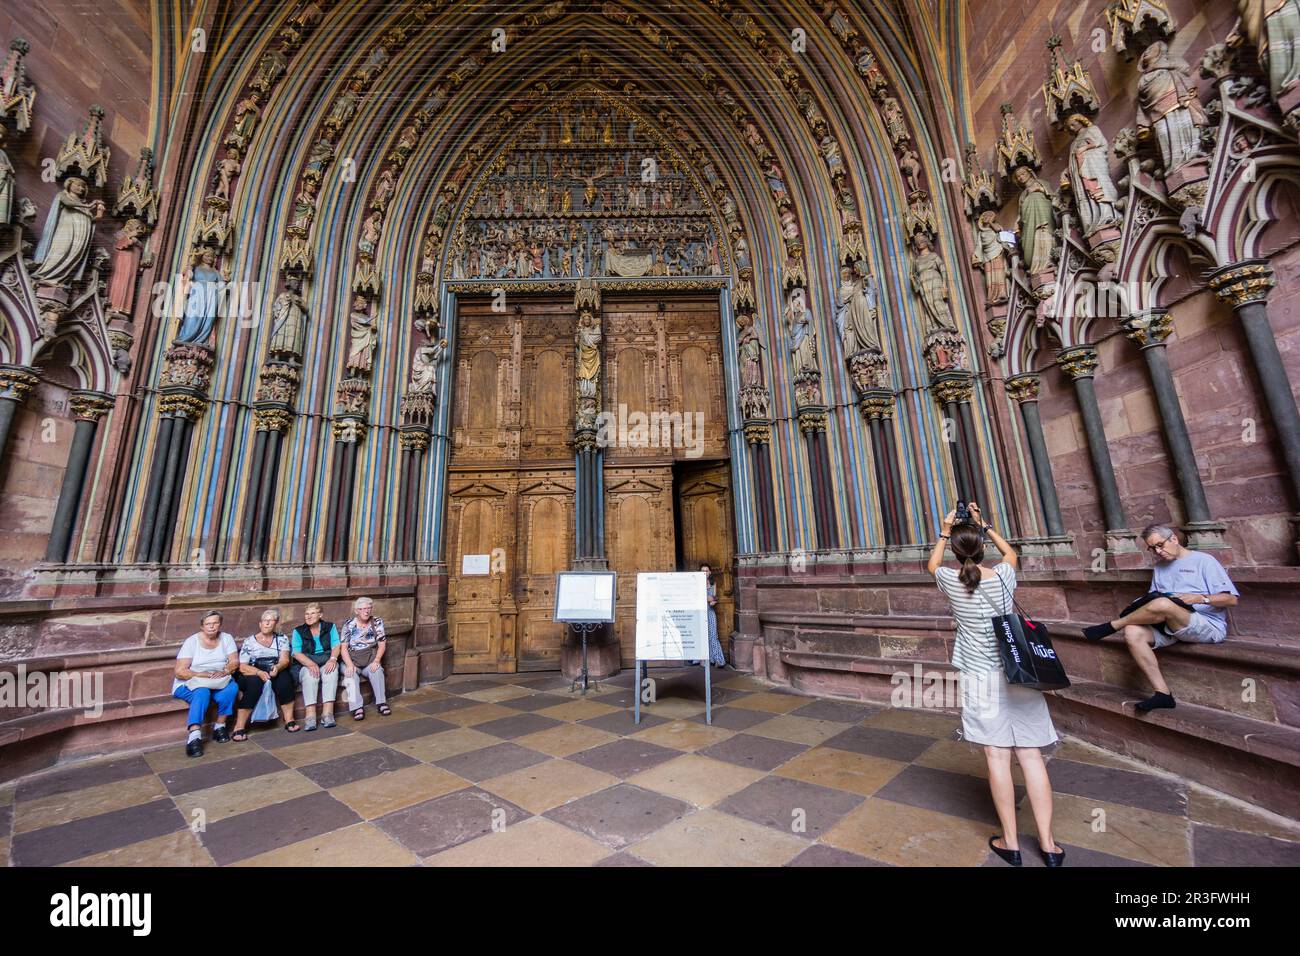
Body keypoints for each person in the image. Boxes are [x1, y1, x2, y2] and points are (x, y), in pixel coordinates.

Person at [928, 503, 1064, 867]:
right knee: (1032, 756)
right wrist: (985, 524)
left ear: (955, 553)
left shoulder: (950, 582)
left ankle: (1011, 842)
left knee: (997, 757)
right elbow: (1011, 553)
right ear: (982, 549)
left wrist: (945, 529)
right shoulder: (1004, 576)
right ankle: (1049, 847)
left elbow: (932, 565)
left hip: (980, 677)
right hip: (1018, 671)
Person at [1082, 524, 1239, 712]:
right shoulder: (1160, 567)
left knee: (1163, 604)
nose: (1158, 551)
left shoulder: (1204, 561)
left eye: (1160, 545)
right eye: (1152, 548)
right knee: (1133, 631)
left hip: (1206, 625)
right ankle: (1163, 694)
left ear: (1173, 539)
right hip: (1171, 625)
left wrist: (1200, 598)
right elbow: (1154, 603)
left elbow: (1231, 599)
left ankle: (1112, 626)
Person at [172, 610, 239, 758]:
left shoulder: (226, 638)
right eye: (208, 624)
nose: (212, 627)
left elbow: (234, 662)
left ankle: (220, 727)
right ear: (202, 626)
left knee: (232, 688)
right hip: (191, 682)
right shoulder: (192, 641)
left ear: (220, 625)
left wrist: (226, 670)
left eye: (215, 623)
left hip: (217, 680)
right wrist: (201, 674)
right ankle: (194, 737)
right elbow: (179, 671)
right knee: (202, 692)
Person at [231, 608, 298, 739]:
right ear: (260, 623)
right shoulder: (249, 641)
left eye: (270, 620)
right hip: (252, 672)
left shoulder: (281, 638)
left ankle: (289, 719)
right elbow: (242, 666)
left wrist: (278, 667)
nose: (267, 623)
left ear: (276, 623)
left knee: (285, 681)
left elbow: (285, 659)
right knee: (254, 685)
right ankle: (239, 726)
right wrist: (259, 672)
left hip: (274, 668)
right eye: (264, 621)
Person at [291, 602, 341, 731]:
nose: (309, 616)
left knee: (332, 671)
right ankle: (310, 715)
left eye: (313, 613)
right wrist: (310, 663)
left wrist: (333, 659)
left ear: (320, 615)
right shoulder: (298, 631)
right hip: (306, 662)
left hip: (326, 659)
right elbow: (296, 653)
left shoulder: (330, 627)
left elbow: (336, 645)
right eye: (307, 614)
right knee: (310, 675)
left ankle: (327, 714)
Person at [341, 596, 391, 720]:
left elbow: (382, 644)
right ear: (356, 611)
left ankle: (381, 702)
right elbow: (343, 647)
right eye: (363, 609)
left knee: (377, 670)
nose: (366, 611)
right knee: (350, 675)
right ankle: (356, 707)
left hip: (369, 658)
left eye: (369, 608)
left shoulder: (377, 622)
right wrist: (349, 664)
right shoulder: (349, 625)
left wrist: (377, 660)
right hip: (352, 659)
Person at [701, 563, 728, 668]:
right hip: (701, 613)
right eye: (702, 571)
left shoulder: (713, 583)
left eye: (706, 571)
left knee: (713, 636)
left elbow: (714, 597)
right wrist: (709, 599)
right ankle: (705, 659)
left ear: (710, 572)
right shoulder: (697, 583)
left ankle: (718, 659)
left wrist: (713, 600)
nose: (704, 573)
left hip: (710, 611)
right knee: (703, 637)